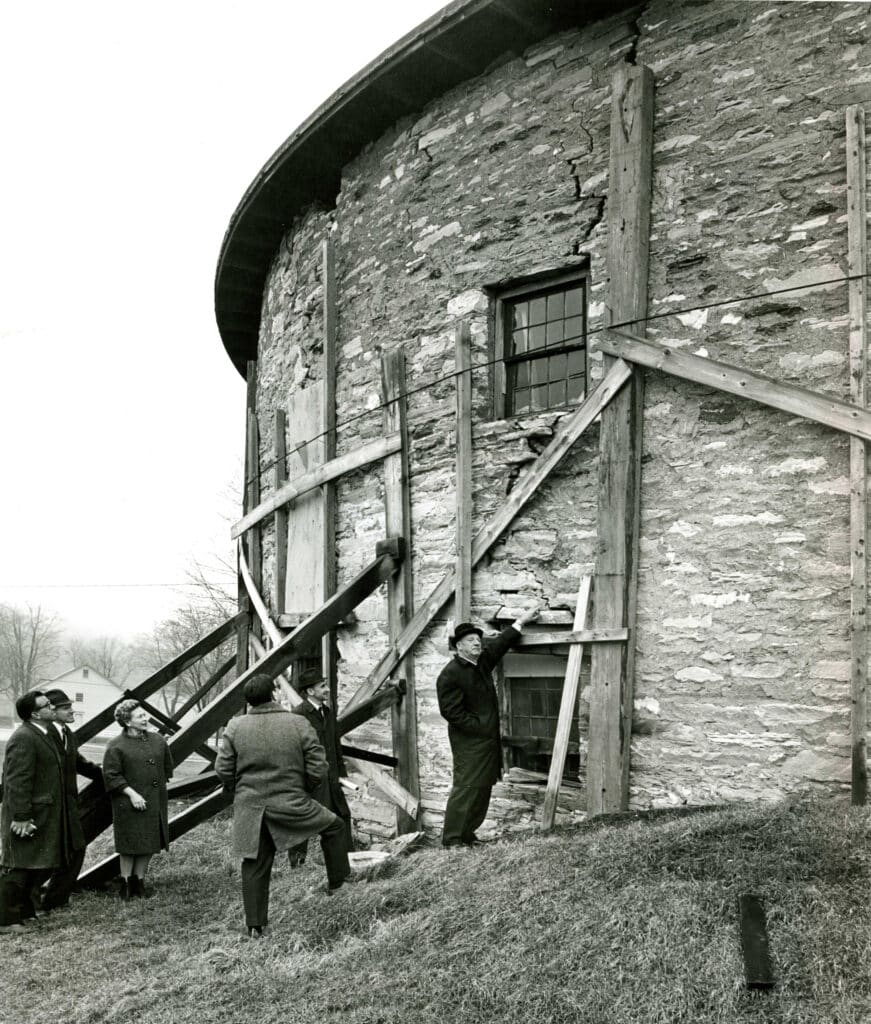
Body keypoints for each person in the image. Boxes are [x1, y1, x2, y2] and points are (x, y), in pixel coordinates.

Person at [215, 673, 351, 939]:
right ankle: (338, 886)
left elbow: (223, 770)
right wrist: (306, 791)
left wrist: (241, 789)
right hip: (293, 801)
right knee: (335, 826)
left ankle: (255, 925)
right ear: (275, 694)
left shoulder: (234, 726)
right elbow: (318, 767)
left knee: (254, 861)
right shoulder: (297, 723)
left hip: (251, 807)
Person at [437, 608, 540, 848]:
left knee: (483, 788)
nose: (476, 643)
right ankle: (452, 840)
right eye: (470, 640)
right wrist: (481, 727)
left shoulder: (480, 663)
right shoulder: (450, 675)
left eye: (477, 640)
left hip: (486, 743)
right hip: (468, 744)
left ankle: (468, 835)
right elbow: (451, 712)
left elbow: (500, 645)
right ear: (458, 646)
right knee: (466, 788)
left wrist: (520, 622)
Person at [0, 691, 64, 933]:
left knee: (34, 865)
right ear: (36, 713)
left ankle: (25, 913)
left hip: (41, 814)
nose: (53, 706)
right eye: (48, 705)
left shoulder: (43, 734)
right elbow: (17, 781)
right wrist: (21, 817)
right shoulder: (25, 738)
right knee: (17, 867)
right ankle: (6, 920)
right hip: (27, 816)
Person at [38, 688, 103, 913]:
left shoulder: (67, 734)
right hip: (47, 806)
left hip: (68, 805)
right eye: (65, 708)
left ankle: (55, 900)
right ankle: (29, 900)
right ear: (51, 711)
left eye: (70, 706)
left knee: (76, 848)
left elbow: (80, 763)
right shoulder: (42, 735)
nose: (71, 711)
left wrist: (109, 776)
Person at [101, 700, 174, 899]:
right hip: (128, 801)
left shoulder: (158, 740)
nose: (145, 719)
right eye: (140, 716)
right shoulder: (115, 745)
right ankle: (125, 883)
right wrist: (132, 793)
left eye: (145, 715)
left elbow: (167, 767)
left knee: (150, 842)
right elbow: (111, 775)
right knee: (129, 844)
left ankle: (139, 881)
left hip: (154, 799)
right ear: (127, 721)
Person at [287, 667, 352, 868]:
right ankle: (297, 863)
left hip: (331, 778)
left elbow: (335, 745)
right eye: (322, 686)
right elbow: (294, 751)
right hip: (310, 780)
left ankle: (347, 861)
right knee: (302, 821)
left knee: (342, 817)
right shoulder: (298, 716)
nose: (327, 689)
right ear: (310, 692)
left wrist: (341, 774)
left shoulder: (328, 712)